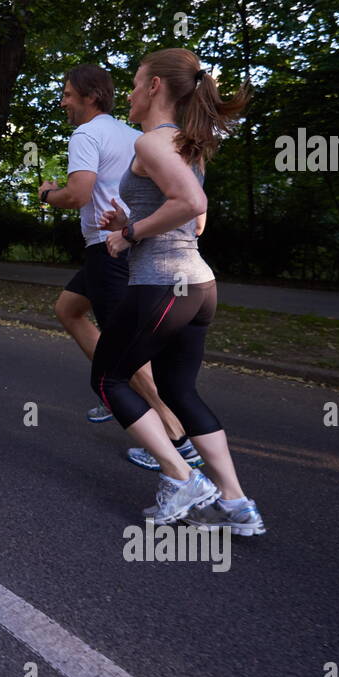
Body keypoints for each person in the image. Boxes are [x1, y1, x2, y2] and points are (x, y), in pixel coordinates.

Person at [92, 48, 264, 535]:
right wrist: (133, 221)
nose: (127, 92)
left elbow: (192, 203)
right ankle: (235, 503)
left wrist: (130, 234)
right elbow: (197, 221)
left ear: (154, 88)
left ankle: (181, 476)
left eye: (133, 81)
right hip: (199, 286)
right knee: (178, 390)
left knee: (108, 380)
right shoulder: (187, 146)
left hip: (163, 283)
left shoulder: (152, 143)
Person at [41, 65, 204, 473]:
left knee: (126, 354)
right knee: (68, 309)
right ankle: (122, 394)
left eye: (66, 94)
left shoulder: (86, 134)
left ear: (89, 97)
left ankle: (174, 436)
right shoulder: (134, 135)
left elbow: (78, 194)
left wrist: (47, 195)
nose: (62, 102)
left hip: (109, 250)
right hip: (127, 246)